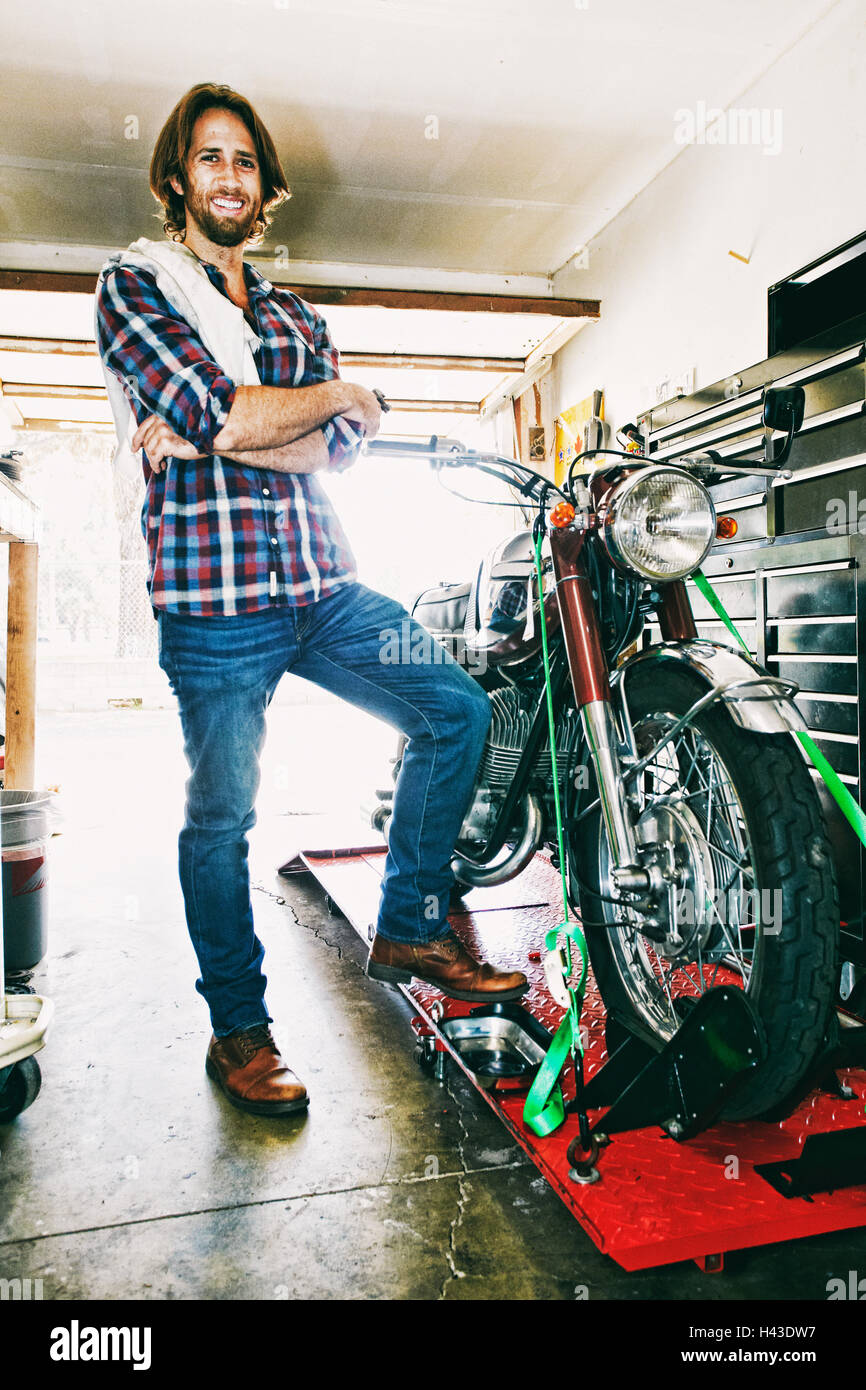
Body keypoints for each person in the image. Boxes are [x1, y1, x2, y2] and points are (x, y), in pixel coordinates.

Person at [95, 82, 527, 1118]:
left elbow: (315, 451)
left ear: (264, 187)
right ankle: (239, 1035)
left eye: (244, 161)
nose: (229, 176)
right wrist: (331, 396)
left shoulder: (292, 315)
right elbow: (237, 410)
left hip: (320, 585)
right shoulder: (135, 286)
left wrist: (238, 426)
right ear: (175, 179)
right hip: (214, 601)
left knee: (455, 707)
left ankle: (413, 922)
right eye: (209, 158)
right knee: (221, 818)